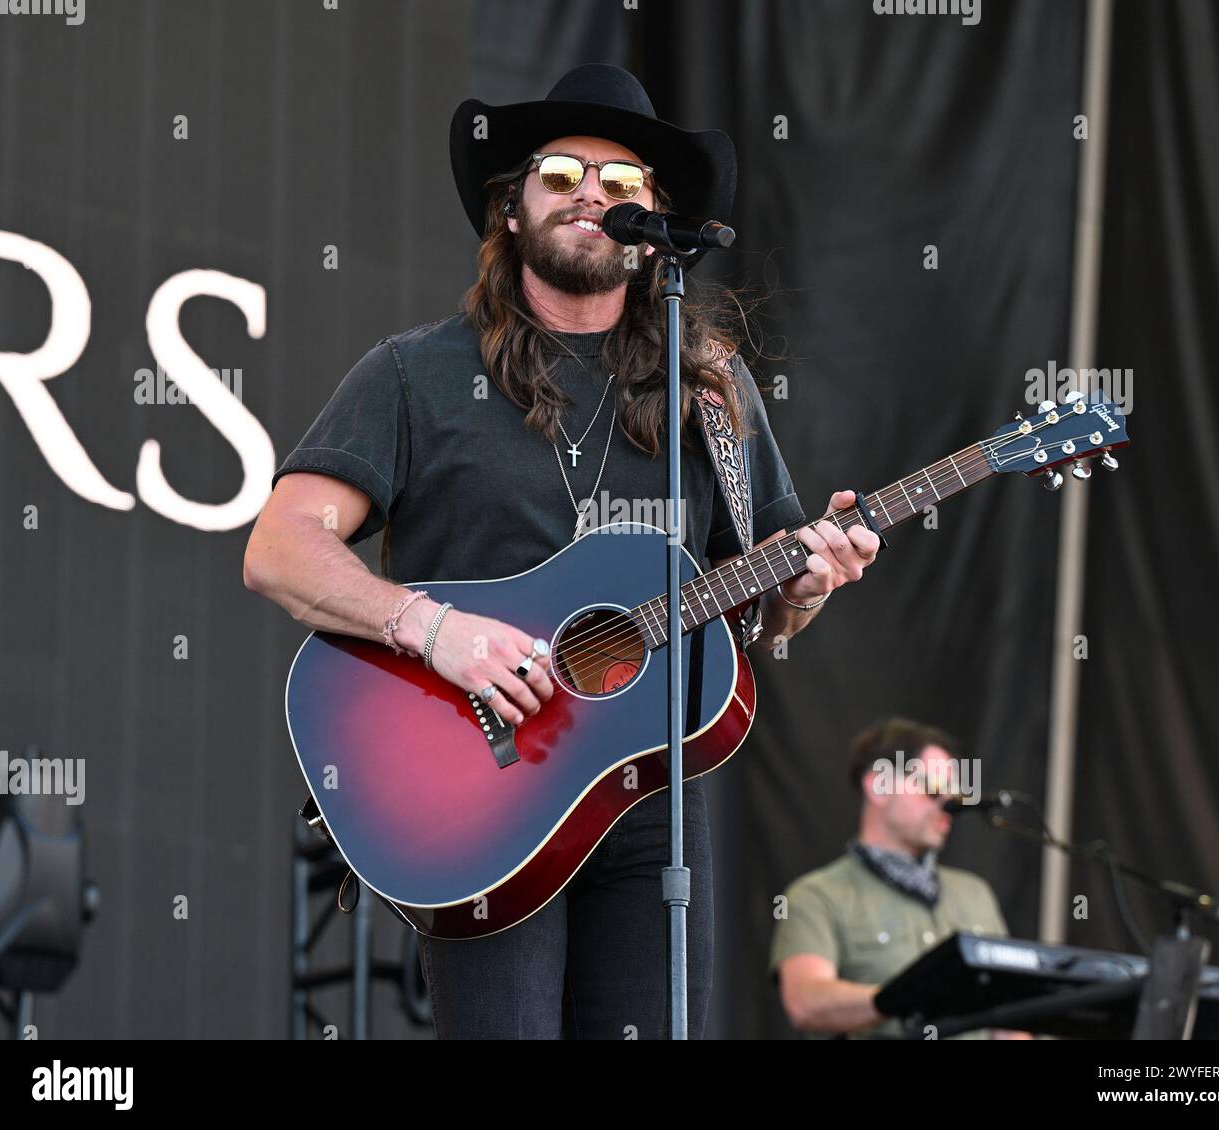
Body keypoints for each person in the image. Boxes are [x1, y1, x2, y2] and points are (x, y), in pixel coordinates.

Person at [244, 63, 880, 1039]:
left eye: (622, 182)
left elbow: (767, 595)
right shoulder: (416, 372)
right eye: (561, 172)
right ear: (509, 210)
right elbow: (281, 548)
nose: (593, 192)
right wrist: (435, 627)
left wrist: (814, 581)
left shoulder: (711, 393)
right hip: (485, 795)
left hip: (653, 801)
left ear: (655, 222)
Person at [771, 718, 1030, 1039]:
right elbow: (805, 1002)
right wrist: (908, 997)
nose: (949, 804)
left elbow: (1008, 1022)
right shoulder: (816, 895)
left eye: (954, 792)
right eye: (934, 788)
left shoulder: (975, 893)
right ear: (879, 784)